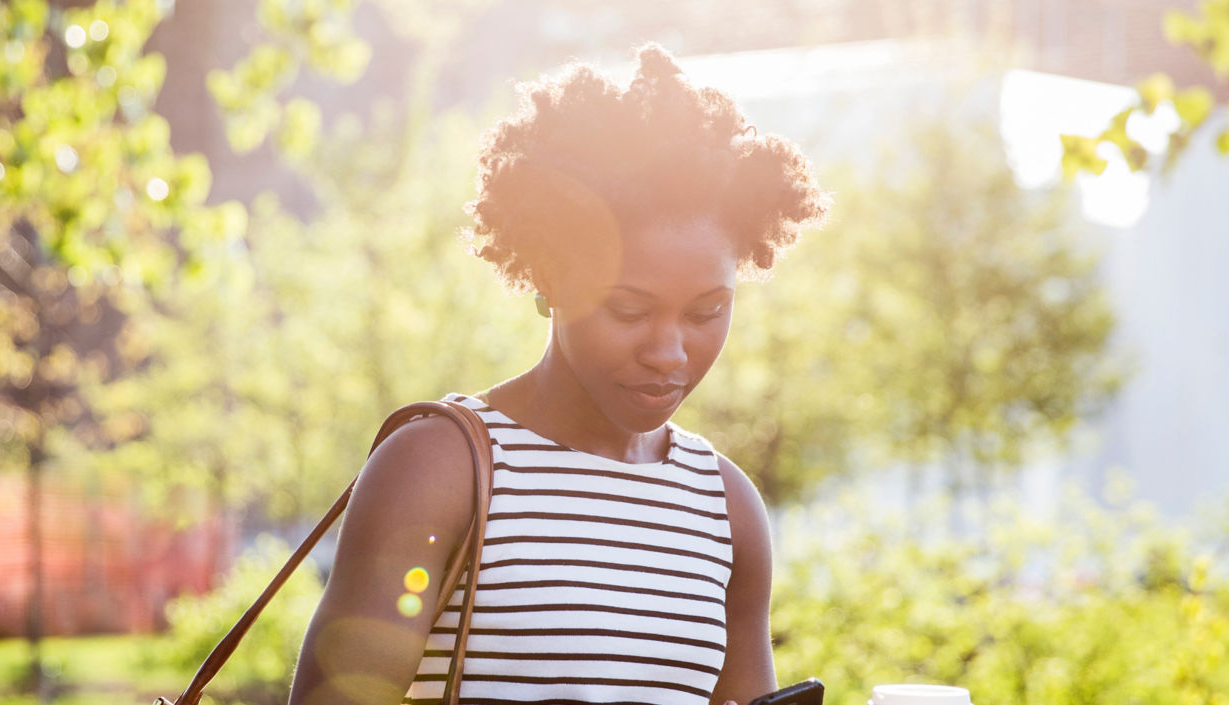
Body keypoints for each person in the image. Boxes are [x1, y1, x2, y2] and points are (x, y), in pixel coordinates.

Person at [283, 41, 830, 705]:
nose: (668, 351)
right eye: (629, 310)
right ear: (550, 276)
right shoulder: (441, 467)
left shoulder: (727, 509)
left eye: (706, 311)